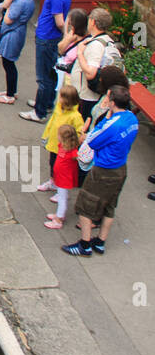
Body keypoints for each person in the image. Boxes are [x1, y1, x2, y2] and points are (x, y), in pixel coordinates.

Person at [63, 84, 139, 256]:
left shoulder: (111, 124)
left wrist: (105, 117)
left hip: (103, 170)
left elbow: (93, 140)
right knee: (109, 206)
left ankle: (85, 244)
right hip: (121, 168)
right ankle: (100, 242)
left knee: (85, 205)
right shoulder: (131, 119)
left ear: (112, 102)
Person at [20, 0, 73, 123]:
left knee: (44, 77)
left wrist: (65, 36)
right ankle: (47, 103)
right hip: (50, 37)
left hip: (47, 38)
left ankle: (39, 112)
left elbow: (59, 21)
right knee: (51, 73)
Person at [0, 0, 36, 104]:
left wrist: (9, 10)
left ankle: (10, 95)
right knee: (8, 63)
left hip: (13, 34)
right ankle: (11, 90)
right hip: (14, 32)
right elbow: (4, 4)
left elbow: (8, 19)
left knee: (8, 63)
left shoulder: (22, 2)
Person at [70, 7, 122, 121]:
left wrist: (80, 53)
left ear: (93, 22)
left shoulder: (96, 45)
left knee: (83, 126)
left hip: (88, 97)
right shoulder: (108, 40)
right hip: (93, 96)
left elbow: (90, 73)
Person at [36, 84, 84, 190]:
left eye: (61, 96)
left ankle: (61, 189)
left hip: (65, 148)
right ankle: (53, 182)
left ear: (67, 100)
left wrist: (71, 145)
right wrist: (46, 136)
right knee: (53, 164)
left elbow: (79, 133)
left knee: (63, 169)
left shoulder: (75, 116)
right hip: (54, 144)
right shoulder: (58, 108)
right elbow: (51, 122)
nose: (59, 98)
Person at [41, 123, 80, 230]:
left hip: (65, 179)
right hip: (60, 176)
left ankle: (58, 220)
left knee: (62, 199)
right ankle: (59, 215)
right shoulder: (62, 146)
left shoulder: (73, 152)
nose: (57, 136)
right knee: (61, 197)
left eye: (58, 135)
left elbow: (80, 159)